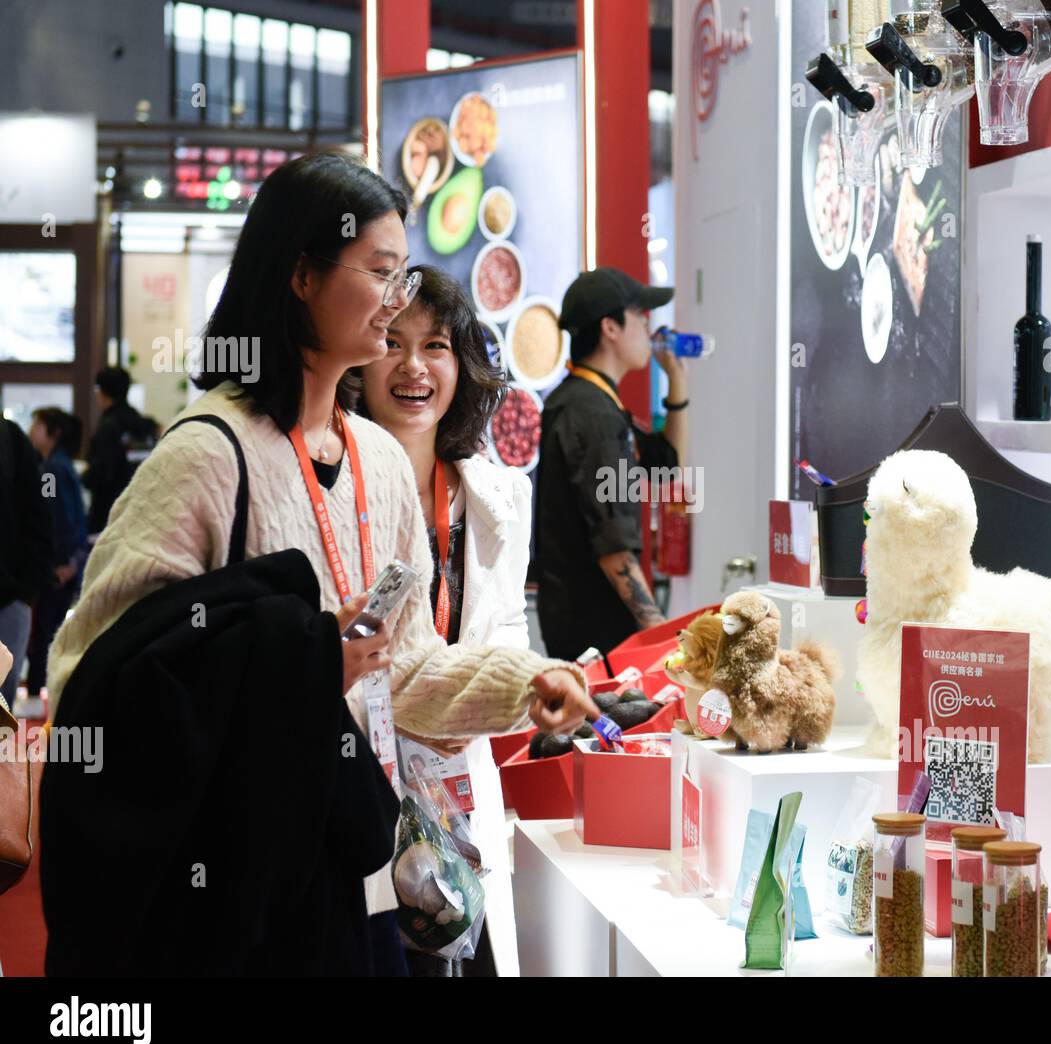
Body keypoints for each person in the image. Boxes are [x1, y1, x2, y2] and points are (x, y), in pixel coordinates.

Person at [47, 152, 596, 976]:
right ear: (302, 276)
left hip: (350, 857)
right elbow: (88, 677)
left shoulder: (376, 461)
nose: (395, 300)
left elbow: (406, 671)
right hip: (235, 878)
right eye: (379, 273)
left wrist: (528, 684)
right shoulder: (207, 456)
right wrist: (298, 664)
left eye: (403, 275)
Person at [357, 264, 532, 977]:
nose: (413, 366)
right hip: (363, 778)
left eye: (435, 345)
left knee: (466, 954)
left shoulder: (497, 497)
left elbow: (510, 625)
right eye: (391, 342)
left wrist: (526, 687)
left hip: (461, 779)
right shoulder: (341, 489)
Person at [535, 267, 690, 661]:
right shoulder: (592, 415)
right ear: (611, 327)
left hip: (582, 629)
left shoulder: (590, 402)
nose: (648, 325)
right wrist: (659, 634)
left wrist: (677, 385)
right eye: (640, 314)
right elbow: (614, 546)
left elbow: (665, 466)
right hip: (598, 637)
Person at [24, 409, 89, 710]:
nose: (32, 429)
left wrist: (64, 561)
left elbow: (58, 517)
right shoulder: (54, 465)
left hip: (57, 564)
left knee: (46, 630)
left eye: (37, 424)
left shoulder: (53, 469)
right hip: (63, 560)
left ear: (52, 431)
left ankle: (38, 694)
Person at [0, 417, 53, 710]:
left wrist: (26, 589)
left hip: (8, 598)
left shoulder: (9, 438)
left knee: (2, 710)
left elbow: (37, 515)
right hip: (12, 593)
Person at [83, 366, 156, 534]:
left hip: (110, 513)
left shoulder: (108, 426)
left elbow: (102, 472)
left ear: (101, 393)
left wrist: (86, 475)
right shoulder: (144, 425)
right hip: (141, 510)